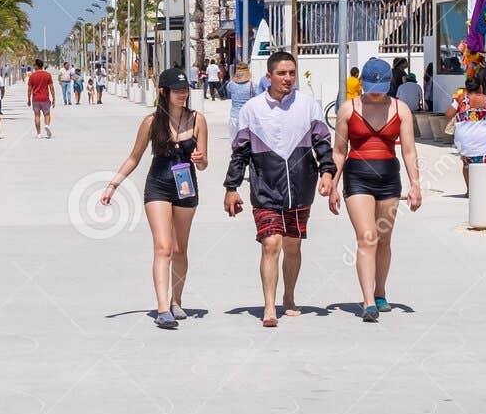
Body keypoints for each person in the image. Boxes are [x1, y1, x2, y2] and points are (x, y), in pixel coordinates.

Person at [224, 51, 337, 328]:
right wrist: (231, 186)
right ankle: (269, 306)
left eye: (291, 73)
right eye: (281, 73)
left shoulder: (308, 105)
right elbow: (240, 152)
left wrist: (327, 172)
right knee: (271, 243)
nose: (287, 78)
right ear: (269, 76)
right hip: (265, 186)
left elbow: (322, 141)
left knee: (292, 245)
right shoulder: (252, 109)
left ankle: (289, 296)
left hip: (301, 186)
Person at [101, 68, 208, 330]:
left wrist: (200, 159)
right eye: (177, 90)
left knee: (180, 248)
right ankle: (163, 308)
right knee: (163, 246)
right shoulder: (151, 122)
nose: (183, 94)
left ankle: (176, 300)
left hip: (186, 187)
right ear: (164, 91)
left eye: (185, 90)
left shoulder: (198, 120)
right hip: (158, 186)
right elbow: (134, 157)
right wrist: (113, 185)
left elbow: (204, 163)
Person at [329, 57, 421, 321]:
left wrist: (416, 184)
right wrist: (333, 185)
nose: (376, 92)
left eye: (380, 87)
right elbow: (338, 151)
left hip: (389, 177)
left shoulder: (401, 109)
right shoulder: (348, 109)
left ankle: (380, 292)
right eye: (371, 87)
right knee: (367, 237)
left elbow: (409, 150)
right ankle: (368, 301)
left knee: (384, 240)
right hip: (357, 176)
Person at [446, 73, 486, 189]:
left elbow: (448, 114)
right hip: (484, 143)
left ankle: (470, 190)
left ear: (467, 89)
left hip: (465, 143)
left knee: (466, 165)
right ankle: (484, 190)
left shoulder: (460, 100)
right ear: (480, 87)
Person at [224, 61, 256, 136]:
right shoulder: (253, 85)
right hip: (247, 117)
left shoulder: (231, 84)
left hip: (234, 116)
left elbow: (228, 93)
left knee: (234, 141)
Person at [27, 59, 55, 138]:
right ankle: (46, 125)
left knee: (37, 116)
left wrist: (29, 99)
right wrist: (54, 98)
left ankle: (38, 134)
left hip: (36, 99)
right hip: (45, 98)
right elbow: (51, 87)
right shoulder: (47, 75)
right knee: (47, 114)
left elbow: (29, 89)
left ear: (36, 66)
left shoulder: (32, 76)